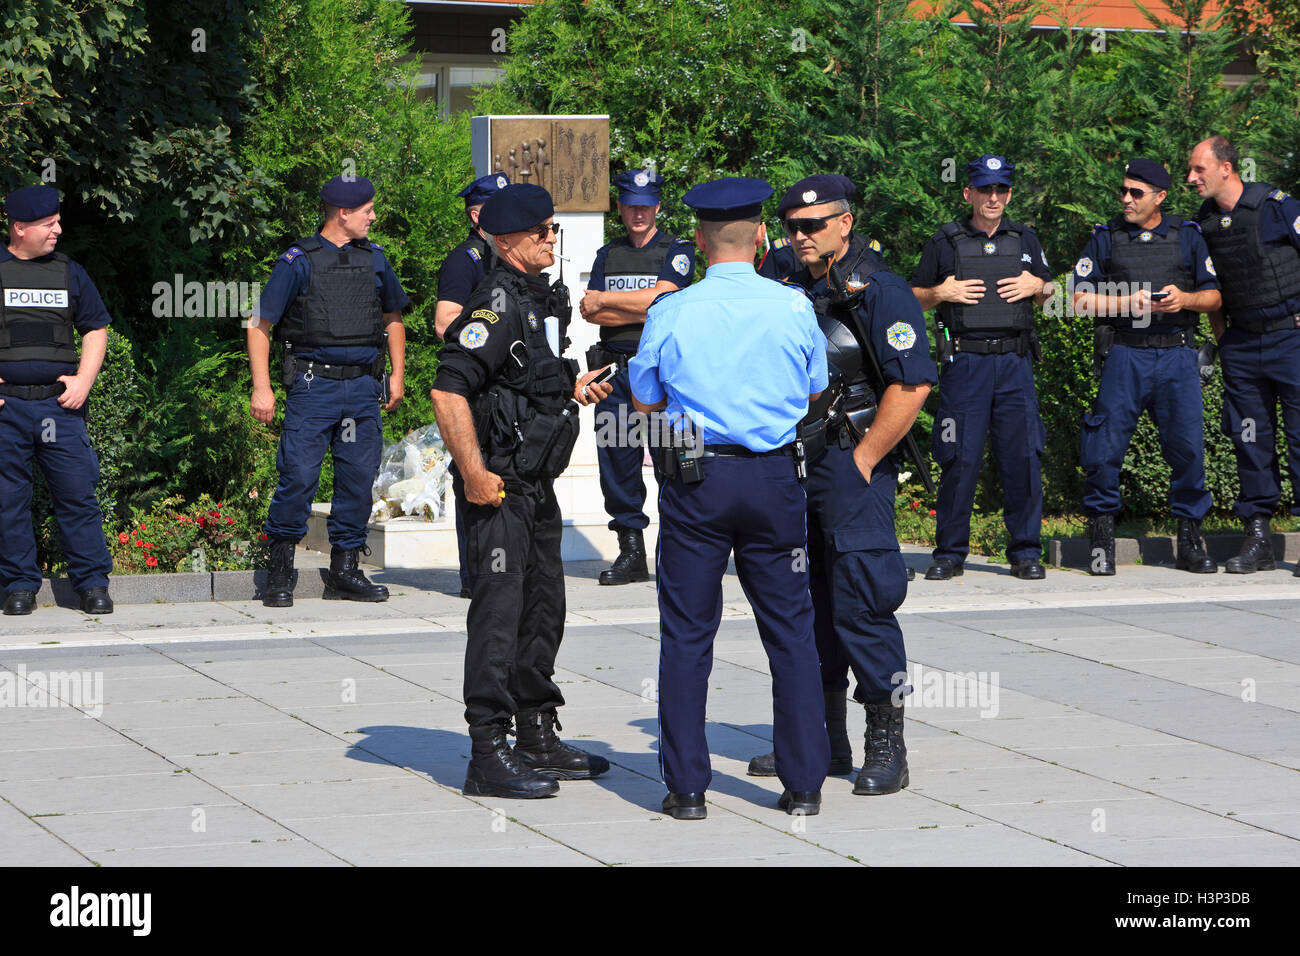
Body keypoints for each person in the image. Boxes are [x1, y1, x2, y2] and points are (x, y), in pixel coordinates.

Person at [629, 176, 830, 820]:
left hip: (697, 479)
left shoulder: (671, 311)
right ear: (763, 235)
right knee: (792, 632)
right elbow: (813, 389)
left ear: (697, 238)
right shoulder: (794, 306)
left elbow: (645, 400)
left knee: (687, 634)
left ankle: (687, 789)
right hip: (774, 479)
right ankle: (804, 786)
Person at [744, 175, 935, 795]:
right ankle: (820, 740)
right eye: (792, 227)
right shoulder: (781, 282)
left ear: (844, 224)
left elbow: (910, 385)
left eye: (813, 226)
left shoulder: (881, 290)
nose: (800, 236)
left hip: (852, 462)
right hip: (790, 465)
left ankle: (888, 743)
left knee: (862, 601)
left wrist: (864, 460)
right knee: (803, 602)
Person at [430, 182, 614, 799]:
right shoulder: (495, 305)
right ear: (507, 240)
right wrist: (476, 474)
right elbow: (448, 390)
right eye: (540, 232)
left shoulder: (536, 302)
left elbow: (528, 383)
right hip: (500, 488)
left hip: (536, 485)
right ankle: (488, 750)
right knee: (499, 615)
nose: (551, 238)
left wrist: (573, 385)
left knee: (543, 608)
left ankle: (536, 732)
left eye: (553, 228)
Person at [248, 175, 407, 607]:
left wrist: (397, 374)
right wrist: (262, 388)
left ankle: (345, 571)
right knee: (298, 477)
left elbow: (393, 317)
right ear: (343, 213)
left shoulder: (375, 259)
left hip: (361, 386)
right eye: (367, 210)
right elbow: (259, 325)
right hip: (313, 386)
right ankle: (279, 571)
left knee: (357, 480)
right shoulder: (299, 260)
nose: (373, 216)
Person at [1074, 159, 1221, 575]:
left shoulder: (1187, 237)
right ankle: (1102, 540)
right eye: (1123, 190)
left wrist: (1185, 300)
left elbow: (1214, 297)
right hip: (1124, 353)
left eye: (1136, 193)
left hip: (1177, 355)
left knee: (1189, 450)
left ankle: (1190, 539)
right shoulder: (1105, 237)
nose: (1126, 199)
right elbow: (1075, 299)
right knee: (1104, 452)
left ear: (1160, 197)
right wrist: (1124, 304)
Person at [911, 155, 1055, 581]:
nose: (993, 197)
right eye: (985, 189)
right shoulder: (945, 241)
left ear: (1009, 194)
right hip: (966, 362)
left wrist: (1039, 286)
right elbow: (912, 295)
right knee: (959, 458)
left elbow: (1051, 293)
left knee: (1023, 456)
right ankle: (950, 554)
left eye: (1001, 190)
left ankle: (1026, 552)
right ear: (967, 192)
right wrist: (940, 291)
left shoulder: (1026, 239)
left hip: (1014, 361)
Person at [0, 185, 114, 616]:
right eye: (49, 225)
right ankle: (18, 587)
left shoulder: (69, 272)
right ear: (20, 227)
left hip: (58, 407)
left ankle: (91, 585)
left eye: (57, 222)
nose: (58, 231)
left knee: (77, 495)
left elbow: (95, 329)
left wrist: (84, 379)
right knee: (7, 500)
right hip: (7, 408)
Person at [1188, 135, 1300, 574]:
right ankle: (1259, 539)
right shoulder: (1204, 222)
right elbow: (1211, 290)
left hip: (1290, 340)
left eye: (1199, 169)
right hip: (1241, 345)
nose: (1192, 178)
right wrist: (1222, 341)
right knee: (1249, 439)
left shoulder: (1277, 207)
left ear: (1226, 168)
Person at [580, 169, 695, 585]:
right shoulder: (607, 255)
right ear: (621, 207)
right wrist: (644, 305)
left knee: (676, 460)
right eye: (631, 204)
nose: (639, 212)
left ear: (658, 206)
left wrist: (611, 301)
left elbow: (664, 302)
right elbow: (590, 313)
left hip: (666, 376)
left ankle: (682, 550)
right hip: (616, 371)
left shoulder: (677, 249)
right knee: (617, 462)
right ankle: (631, 552)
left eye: (646, 205)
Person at [435, 172, 510, 598]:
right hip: (477, 389)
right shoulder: (467, 259)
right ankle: (474, 573)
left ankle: (500, 566)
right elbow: (445, 321)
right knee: (473, 472)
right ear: (477, 215)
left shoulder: (506, 256)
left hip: (509, 389)